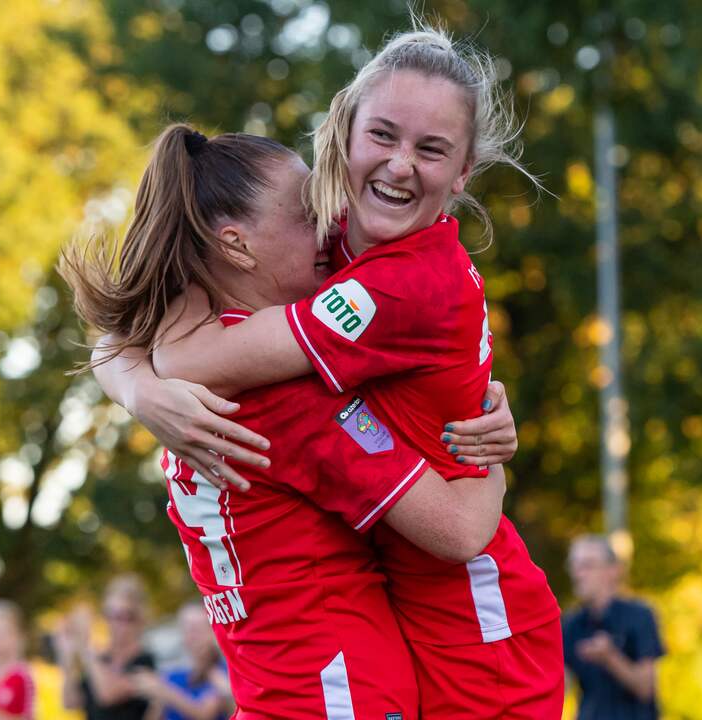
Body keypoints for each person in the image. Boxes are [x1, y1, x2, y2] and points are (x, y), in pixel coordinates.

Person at [114, 23, 564, 719]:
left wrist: (144, 382)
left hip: (475, 631)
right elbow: (134, 329)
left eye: (432, 148)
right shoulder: (330, 255)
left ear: (463, 172)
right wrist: (140, 387)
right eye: (383, 135)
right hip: (384, 645)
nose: (400, 165)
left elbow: (169, 349)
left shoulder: (389, 283)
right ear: (344, 133)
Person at [63, 121, 517, 717]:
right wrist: (485, 444)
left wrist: (137, 389)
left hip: (282, 691)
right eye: (306, 214)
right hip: (340, 694)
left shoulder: (186, 348)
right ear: (236, 246)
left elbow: (118, 341)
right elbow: (457, 532)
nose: (331, 223)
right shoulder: (279, 393)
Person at [562, 535, 665, 720]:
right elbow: (560, 687)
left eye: (587, 565)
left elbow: (646, 688)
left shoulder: (640, 615)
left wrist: (610, 658)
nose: (578, 574)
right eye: (574, 566)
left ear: (613, 570)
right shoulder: (572, 624)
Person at [57, 575, 156, 720]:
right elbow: (70, 702)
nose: (117, 624)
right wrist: (67, 658)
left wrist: (85, 646)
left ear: (140, 618)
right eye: (112, 615)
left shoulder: (144, 661)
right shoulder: (101, 660)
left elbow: (107, 695)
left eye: (126, 616)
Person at [134, 604, 229, 720]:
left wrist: (162, 690)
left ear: (212, 632)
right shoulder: (174, 676)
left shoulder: (223, 673)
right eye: (187, 629)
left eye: (197, 629)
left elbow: (205, 714)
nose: (192, 636)